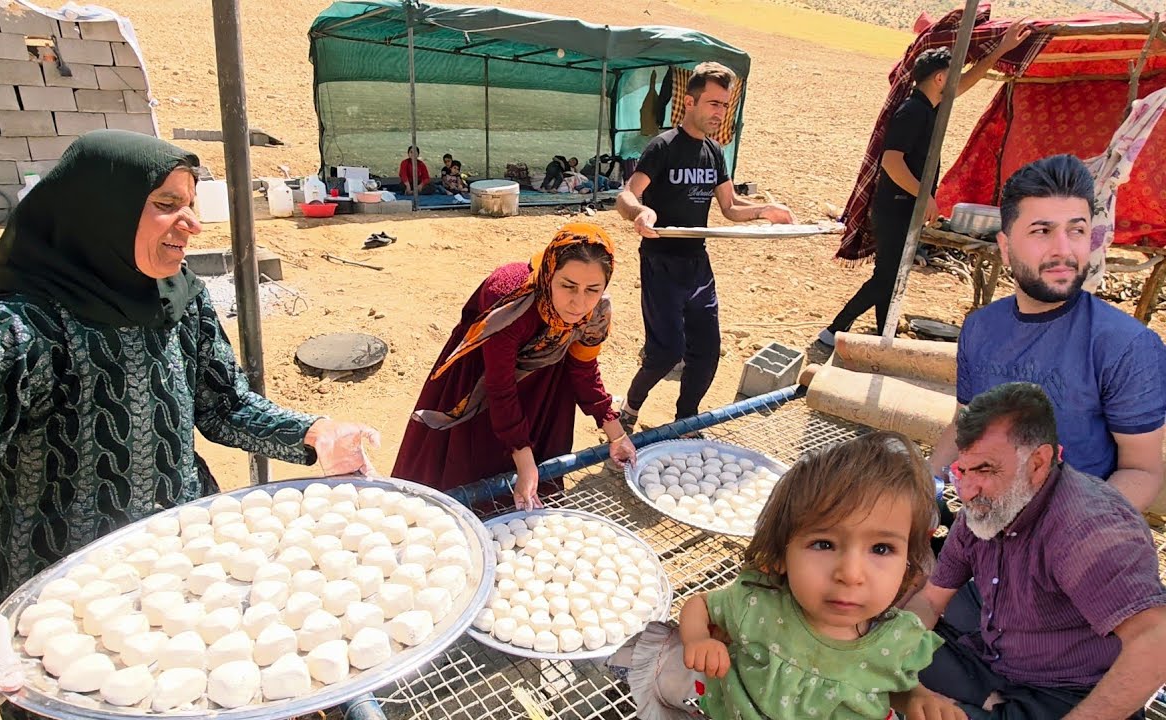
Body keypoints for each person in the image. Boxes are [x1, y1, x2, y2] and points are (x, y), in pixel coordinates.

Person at [0, 131, 379, 720]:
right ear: (102, 213)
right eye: (166, 205)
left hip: (191, 570)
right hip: (62, 603)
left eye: (191, 204)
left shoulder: (179, 300)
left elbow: (224, 405)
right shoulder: (13, 330)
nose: (192, 224)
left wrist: (314, 430)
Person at [608, 432, 962, 720]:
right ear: (780, 555)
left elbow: (892, 684)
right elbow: (700, 605)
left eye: (881, 549)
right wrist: (699, 639)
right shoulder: (758, 605)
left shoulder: (899, 638)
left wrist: (917, 698)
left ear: (908, 562)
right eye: (824, 544)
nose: (851, 574)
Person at [906, 383, 1166, 719]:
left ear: (1039, 462)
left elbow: (1157, 639)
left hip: (1071, 690)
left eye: (986, 470)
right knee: (876, 616)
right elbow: (930, 600)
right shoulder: (985, 507)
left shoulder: (1086, 530)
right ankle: (985, 696)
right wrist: (886, 656)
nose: (968, 491)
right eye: (962, 471)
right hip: (998, 647)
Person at [926, 155, 1165, 512]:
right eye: (1042, 230)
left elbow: (1142, 469)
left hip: (1078, 539)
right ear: (1005, 247)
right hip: (986, 526)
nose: (1063, 249)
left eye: (1077, 230)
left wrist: (1063, 535)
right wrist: (930, 480)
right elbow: (965, 421)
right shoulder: (980, 328)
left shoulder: (1125, 346)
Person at [819, 20, 1032, 346]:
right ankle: (834, 330)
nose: (956, 81)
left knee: (891, 277)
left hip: (905, 207)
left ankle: (882, 335)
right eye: (952, 75)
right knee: (886, 277)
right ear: (938, 79)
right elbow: (892, 162)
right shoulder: (913, 111)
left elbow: (962, 85)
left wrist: (1000, 50)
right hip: (896, 208)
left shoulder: (929, 104)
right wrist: (924, 197)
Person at [392, 223, 635, 508]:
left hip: (545, 385)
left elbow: (583, 370)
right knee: (467, 468)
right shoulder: (511, 299)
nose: (578, 303)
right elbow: (500, 385)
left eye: (592, 289)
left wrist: (617, 435)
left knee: (536, 473)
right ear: (549, 272)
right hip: (482, 380)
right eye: (567, 286)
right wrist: (523, 457)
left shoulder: (595, 313)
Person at [616, 62, 795, 433]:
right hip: (661, 260)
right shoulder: (662, 147)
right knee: (666, 351)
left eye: (725, 106)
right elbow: (627, 195)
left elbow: (729, 207)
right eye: (713, 103)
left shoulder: (715, 153)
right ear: (689, 101)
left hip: (697, 263)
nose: (719, 112)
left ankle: (685, 418)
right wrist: (641, 211)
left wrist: (765, 210)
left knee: (707, 351)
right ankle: (631, 406)